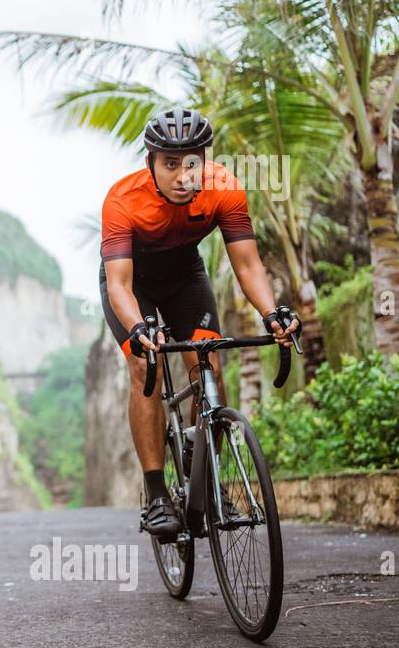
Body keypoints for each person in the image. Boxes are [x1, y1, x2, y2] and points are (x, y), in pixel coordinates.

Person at [98, 108, 299, 539]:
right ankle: (156, 495)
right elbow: (119, 285)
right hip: (134, 287)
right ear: (150, 161)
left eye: (192, 162)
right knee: (143, 367)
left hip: (186, 278)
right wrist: (138, 327)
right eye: (171, 163)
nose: (183, 174)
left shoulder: (224, 187)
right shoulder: (122, 200)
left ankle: (202, 473)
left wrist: (272, 313)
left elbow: (247, 265)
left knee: (207, 364)